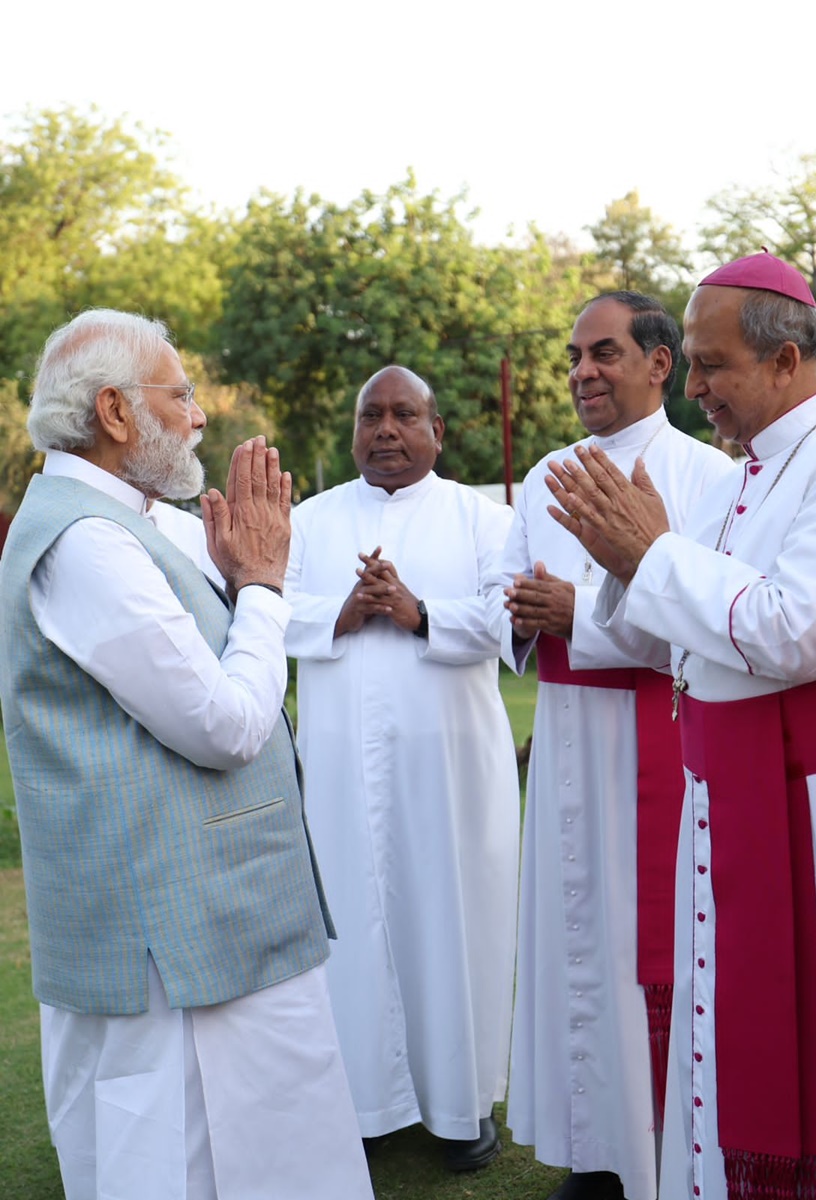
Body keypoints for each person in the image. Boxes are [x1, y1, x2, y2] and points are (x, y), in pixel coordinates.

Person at [547, 252, 816, 1200]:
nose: (696, 386)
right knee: (721, 1030)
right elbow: (652, 627)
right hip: (730, 796)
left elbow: (792, 629)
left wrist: (654, 557)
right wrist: (627, 560)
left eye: (713, 365)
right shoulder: (733, 481)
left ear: (786, 359)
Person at [0, 309, 373, 1200]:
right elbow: (223, 725)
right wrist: (263, 590)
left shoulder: (119, 523)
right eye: (183, 393)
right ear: (116, 414)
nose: (200, 415)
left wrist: (232, 582)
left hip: (210, 916)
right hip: (169, 945)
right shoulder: (86, 541)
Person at [499, 291, 735, 1200]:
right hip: (562, 734)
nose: (581, 373)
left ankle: (660, 1153)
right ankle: (592, 1152)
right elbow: (508, 600)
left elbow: (711, 621)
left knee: (648, 945)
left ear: (660, 364)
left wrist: (581, 622)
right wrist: (520, 615)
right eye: (572, 356)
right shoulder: (550, 471)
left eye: (603, 353)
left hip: (656, 742)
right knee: (569, 943)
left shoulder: (704, 476)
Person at [284, 365, 519, 1169]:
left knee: (451, 920)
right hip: (343, 777)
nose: (385, 429)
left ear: (437, 431)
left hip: (449, 778)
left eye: (404, 414)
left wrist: (416, 612)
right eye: (370, 415)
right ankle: (363, 1107)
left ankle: (461, 1107)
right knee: (350, 924)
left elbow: (508, 618)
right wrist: (344, 611)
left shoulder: (485, 520)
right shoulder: (310, 521)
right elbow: (266, 607)